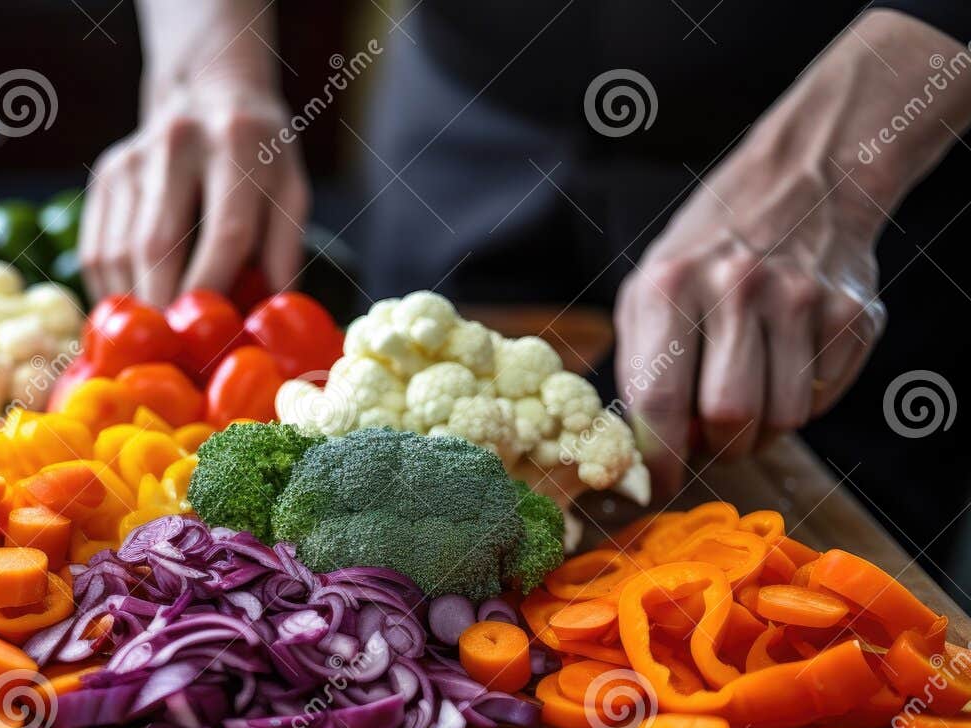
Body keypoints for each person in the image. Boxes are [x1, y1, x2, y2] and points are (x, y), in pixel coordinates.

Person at [80, 1, 971, 599]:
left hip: (874, 126)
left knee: (841, 579)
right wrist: (206, 67)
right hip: (473, 104)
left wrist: (831, 165)